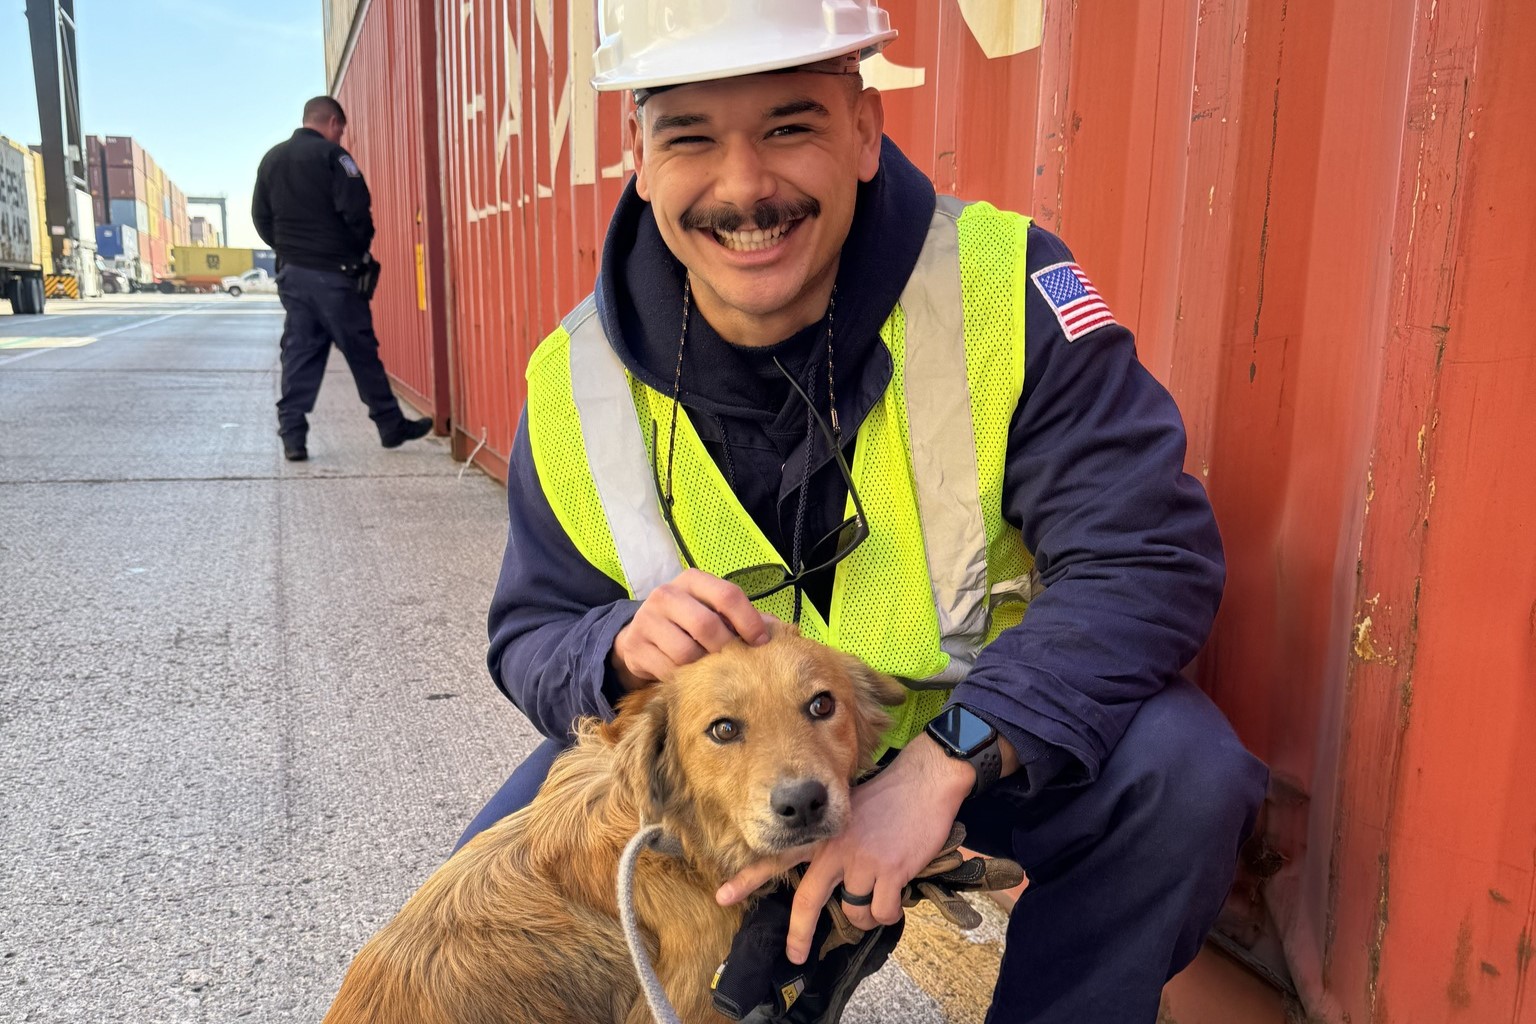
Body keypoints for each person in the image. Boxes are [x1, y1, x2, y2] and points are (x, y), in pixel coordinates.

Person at [468, 2, 1268, 1021]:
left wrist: (944, 763)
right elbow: (533, 630)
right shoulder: (575, 379)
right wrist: (615, 646)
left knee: (1182, 773)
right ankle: (787, 968)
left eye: (790, 126)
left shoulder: (1000, 290)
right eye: (691, 138)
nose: (745, 185)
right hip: (743, 774)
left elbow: (1146, 556)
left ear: (863, 131)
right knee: (474, 925)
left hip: (987, 747)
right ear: (638, 157)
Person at [252, 96, 431, 462]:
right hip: (335, 277)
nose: (340, 137)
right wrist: (355, 253)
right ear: (332, 122)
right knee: (361, 352)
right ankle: (389, 424)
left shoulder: (272, 159)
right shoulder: (336, 159)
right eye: (340, 130)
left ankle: (293, 436)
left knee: (300, 352)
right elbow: (357, 212)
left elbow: (261, 218)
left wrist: (291, 251)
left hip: (294, 277)